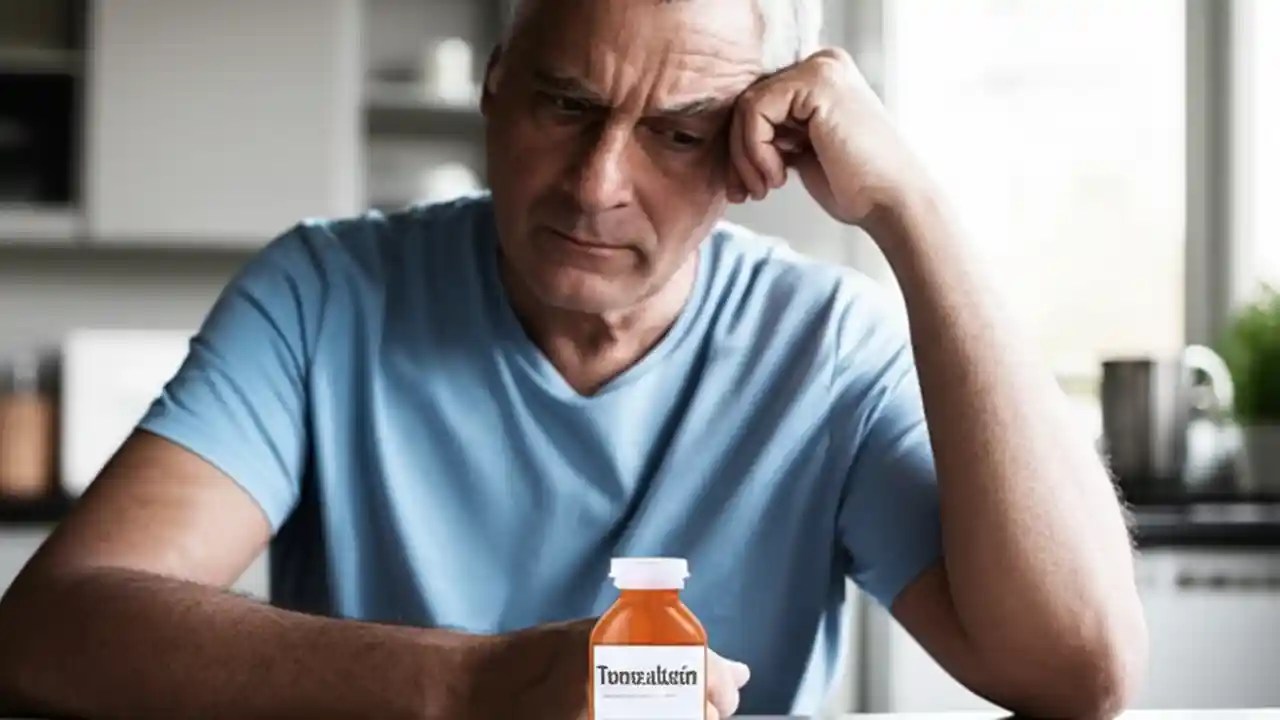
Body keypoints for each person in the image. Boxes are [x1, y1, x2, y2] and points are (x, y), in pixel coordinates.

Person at [0, 0, 1147, 718]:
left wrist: (909, 206)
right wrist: (476, 689)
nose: (598, 183)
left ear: (757, 153)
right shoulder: (324, 295)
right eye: (564, 102)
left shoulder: (826, 351)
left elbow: (1076, 674)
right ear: (497, 88)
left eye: (677, 132)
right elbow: (54, 632)